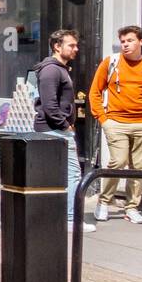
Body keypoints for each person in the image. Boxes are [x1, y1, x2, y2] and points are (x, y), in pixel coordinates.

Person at [88, 25, 142, 225]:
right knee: (118, 161)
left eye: (130, 40)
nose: (125, 45)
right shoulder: (111, 62)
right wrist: (103, 120)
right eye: (123, 41)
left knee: (138, 166)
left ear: (141, 42)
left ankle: (132, 207)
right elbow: (94, 93)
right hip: (116, 122)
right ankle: (104, 202)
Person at [34, 28, 94, 233]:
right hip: (55, 130)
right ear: (57, 46)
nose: (76, 49)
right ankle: (70, 219)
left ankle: (60, 216)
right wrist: (65, 125)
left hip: (54, 129)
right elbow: (49, 105)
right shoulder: (52, 70)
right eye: (71, 45)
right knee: (73, 174)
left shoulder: (59, 69)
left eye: (76, 45)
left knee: (59, 175)